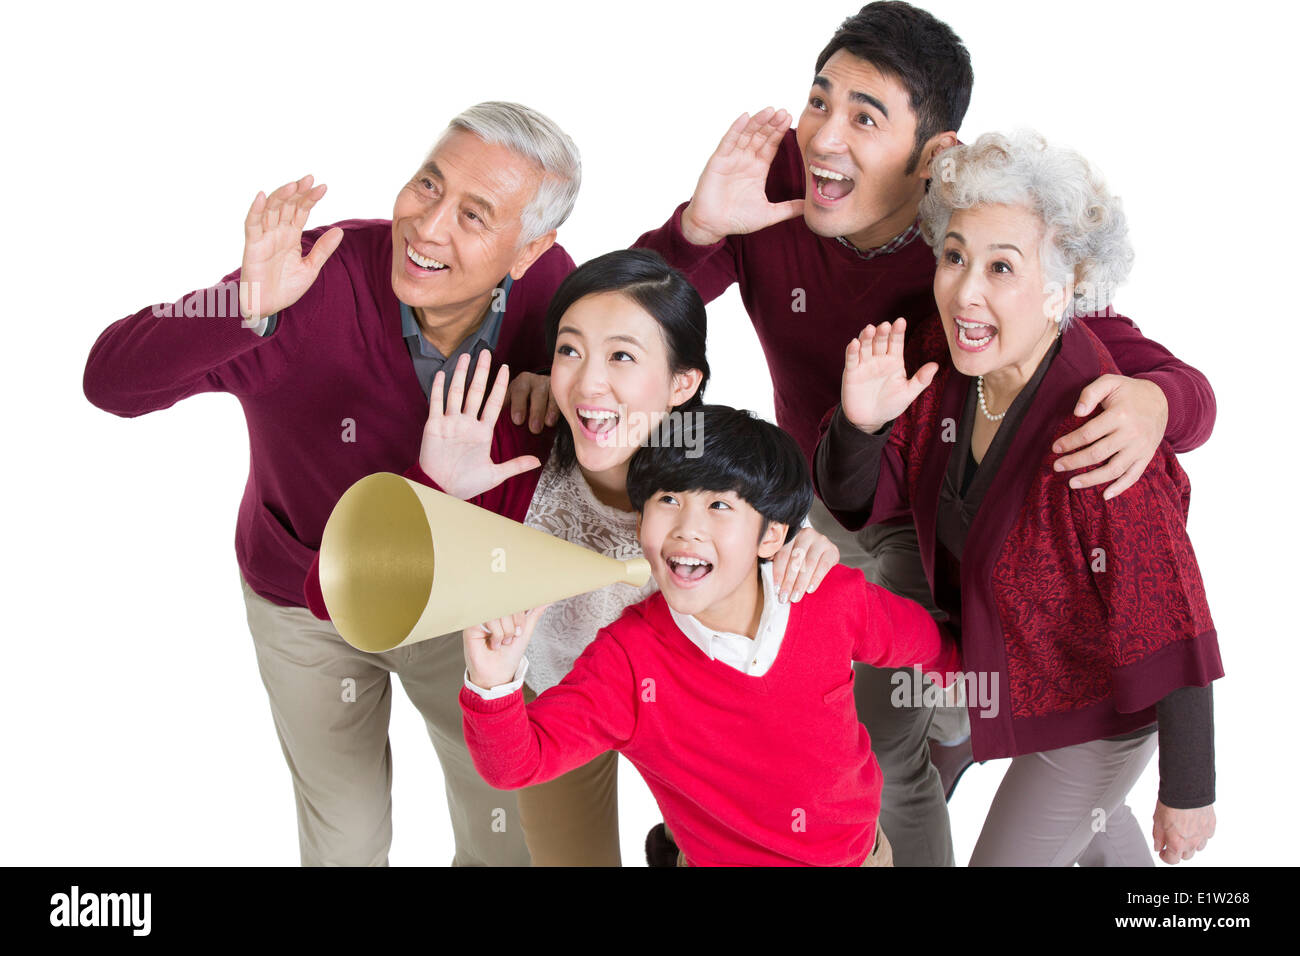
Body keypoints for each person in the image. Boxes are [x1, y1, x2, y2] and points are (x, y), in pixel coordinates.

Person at [619, 1, 1217, 866]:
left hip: (927, 534)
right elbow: (634, 324)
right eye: (819, 101)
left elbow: (1146, 369)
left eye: (866, 117)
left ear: (933, 154)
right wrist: (702, 227)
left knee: (895, 733)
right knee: (839, 706)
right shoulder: (784, 183)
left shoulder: (982, 245)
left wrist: (1159, 405)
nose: (825, 138)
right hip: (834, 491)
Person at [83, 101, 581, 866]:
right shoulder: (306, 281)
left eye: (475, 215)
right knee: (344, 842)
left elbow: (646, 369)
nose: (429, 226)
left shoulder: (554, 290)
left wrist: (565, 378)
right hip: (305, 599)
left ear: (530, 247)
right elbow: (112, 380)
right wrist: (240, 306)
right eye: (426, 184)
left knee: (504, 832)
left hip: (462, 607)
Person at [306, 249, 841, 865]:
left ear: (683, 384)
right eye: (569, 349)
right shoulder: (512, 446)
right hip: (555, 700)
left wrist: (806, 546)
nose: (587, 383)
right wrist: (435, 484)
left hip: (695, 712)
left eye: (621, 356)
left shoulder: (723, 478)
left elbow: (787, 573)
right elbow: (330, 595)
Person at [814, 131, 1222, 866]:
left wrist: (1190, 792)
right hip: (1029, 682)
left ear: (1064, 288)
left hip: (1104, 711)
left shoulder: (1099, 432)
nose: (965, 290)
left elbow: (1174, 617)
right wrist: (860, 425)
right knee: (1093, 838)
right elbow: (855, 498)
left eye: (1002, 267)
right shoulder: (951, 369)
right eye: (954, 256)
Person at [458, 404, 960, 866]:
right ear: (640, 523)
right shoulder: (628, 659)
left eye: (720, 506)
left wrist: (962, 674)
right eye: (668, 499)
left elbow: (918, 639)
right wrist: (493, 683)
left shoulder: (828, 597)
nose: (687, 528)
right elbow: (517, 764)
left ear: (771, 535)